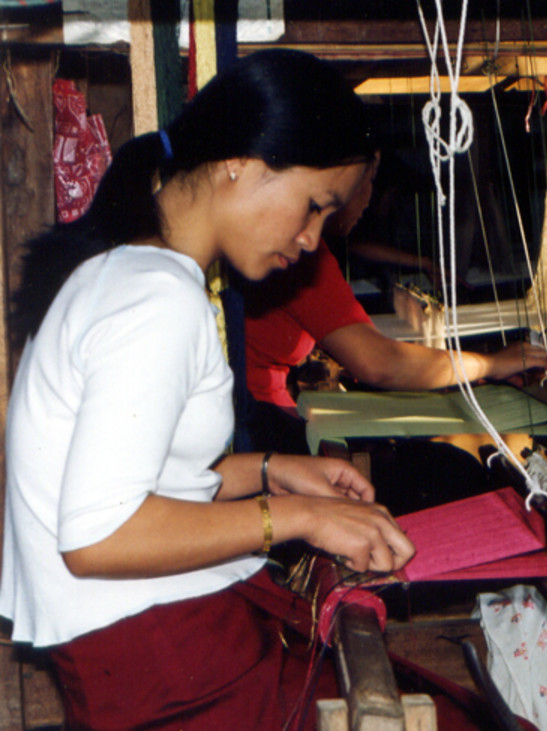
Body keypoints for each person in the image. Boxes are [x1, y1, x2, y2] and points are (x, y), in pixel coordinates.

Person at [1, 50, 414, 731]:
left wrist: (274, 471)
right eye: (313, 206)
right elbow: (99, 534)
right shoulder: (157, 297)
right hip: (167, 665)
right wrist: (303, 518)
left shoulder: (129, 275)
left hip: (154, 652)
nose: (312, 240)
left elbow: (150, 479)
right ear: (241, 162)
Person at [239, 152, 547, 460]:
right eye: (368, 181)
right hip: (254, 418)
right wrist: (492, 364)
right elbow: (380, 363)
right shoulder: (305, 256)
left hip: (255, 407)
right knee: (456, 462)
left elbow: (368, 352)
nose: (369, 196)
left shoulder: (297, 245)